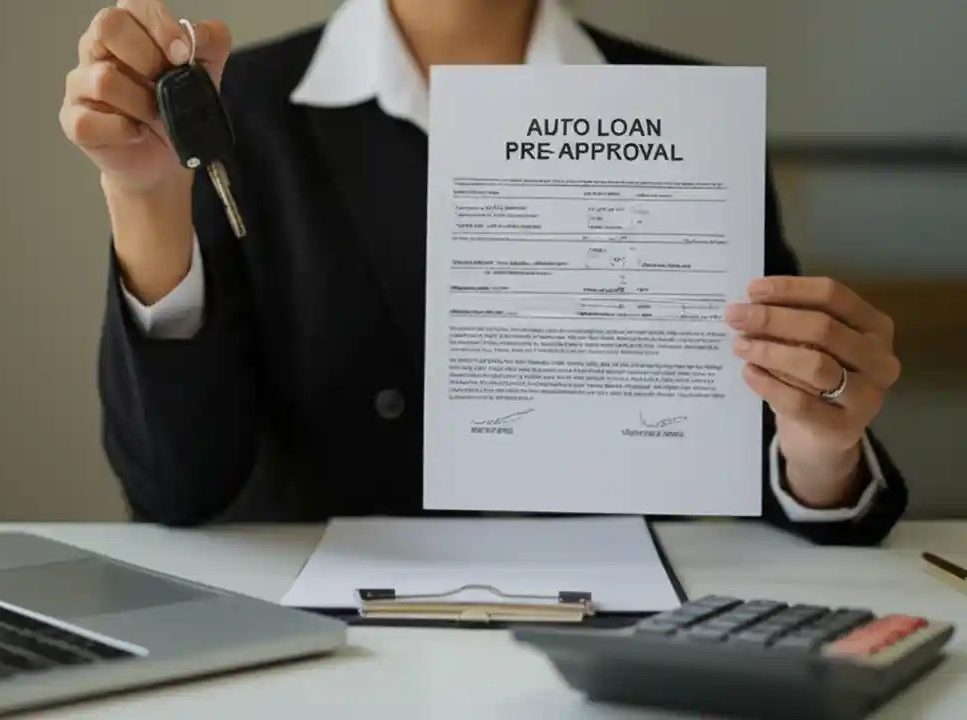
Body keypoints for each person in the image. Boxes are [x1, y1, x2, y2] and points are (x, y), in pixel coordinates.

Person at [59, 0, 907, 543]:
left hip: (637, 644)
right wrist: (144, 197)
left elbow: (765, 456)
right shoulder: (233, 110)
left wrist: (821, 444)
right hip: (331, 658)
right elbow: (176, 491)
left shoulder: (686, 111)